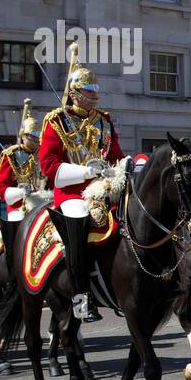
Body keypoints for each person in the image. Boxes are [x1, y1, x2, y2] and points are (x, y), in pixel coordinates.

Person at [38, 44, 125, 320]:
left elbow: (116, 155)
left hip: (104, 187)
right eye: (89, 91)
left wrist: (129, 164)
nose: (95, 96)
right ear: (74, 93)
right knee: (79, 217)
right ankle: (80, 296)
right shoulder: (56, 122)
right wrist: (86, 172)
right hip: (72, 193)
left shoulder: (104, 121)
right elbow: (48, 166)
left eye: (96, 91)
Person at [0, 98, 46, 260]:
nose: (36, 140)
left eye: (38, 136)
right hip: (19, 205)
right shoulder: (11, 155)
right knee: (16, 228)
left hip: (43, 200)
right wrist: (19, 192)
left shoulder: (43, 154)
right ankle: (12, 264)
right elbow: (1, 187)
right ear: (23, 136)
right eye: (32, 136)